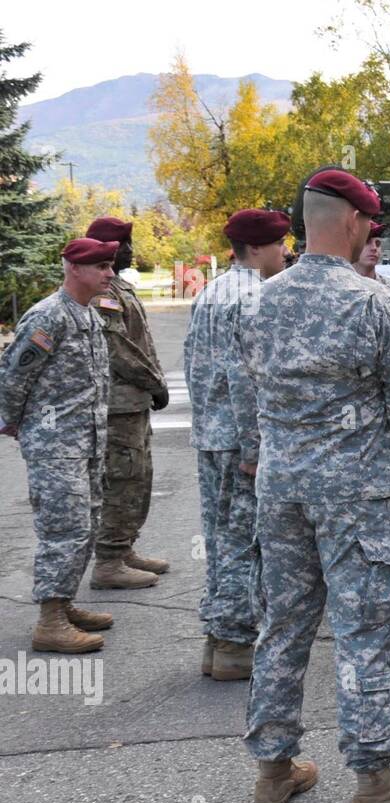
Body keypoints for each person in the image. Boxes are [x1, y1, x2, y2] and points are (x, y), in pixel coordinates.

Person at [239, 169, 390, 803]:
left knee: (283, 625)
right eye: (370, 224)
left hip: (281, 488)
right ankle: (374, 782)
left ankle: (272, 769)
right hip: (355, 492)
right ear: (352, 220)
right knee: (366, 632)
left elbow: (255, 396)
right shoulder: (374, 303)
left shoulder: (260, 301)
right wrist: (385, 466)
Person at [183, 208, 289, 681]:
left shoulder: (212, 291)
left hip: (211, 434)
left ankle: (218, 637)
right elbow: (245, 380)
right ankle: (233, 643)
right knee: (244, 542)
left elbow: (193, 365)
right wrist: (254, 449)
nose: (286, 253)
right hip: (238, 441)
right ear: (259, 248)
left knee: (221, 538)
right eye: (281, 245)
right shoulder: (254, 296)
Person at [0, 239, 116, 652]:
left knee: (85, 525)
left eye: (110, 265)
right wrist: (12, 422)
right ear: (72, 268)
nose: (110, 273)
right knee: (63, 530)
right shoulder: (48, 316)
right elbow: (14, 376)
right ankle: (50, 620)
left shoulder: (86, 313)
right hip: (56, 444)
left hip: (85, 440)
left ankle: (63, 603)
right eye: (101, 266)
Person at [83, 217, 170, 590]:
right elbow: (117, 348)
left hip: (132, 401)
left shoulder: (119, 287)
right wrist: (154, 382)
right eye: (124, 243)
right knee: (122, 477)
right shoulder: (104, 295)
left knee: (139, 476)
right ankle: (109, 560)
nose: (132, 250)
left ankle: (124, 547)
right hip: (117, 403)